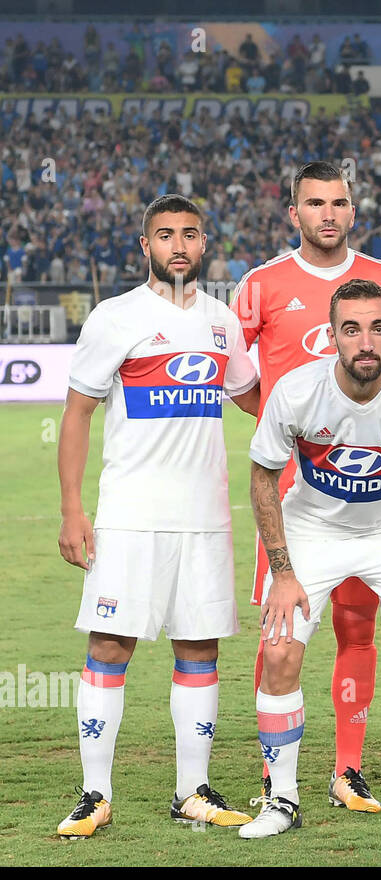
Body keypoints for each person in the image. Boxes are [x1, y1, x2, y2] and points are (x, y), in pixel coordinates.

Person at [56, 194, 261, 838]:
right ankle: (95, 793)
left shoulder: (224, 324)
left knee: (198, 647)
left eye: (190, 234)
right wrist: (72, 509)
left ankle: (192, 790)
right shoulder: (116, 317)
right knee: (110, 646)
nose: (179, 244)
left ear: (205, 245)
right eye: (165, 235)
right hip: (129, 516)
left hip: (204, 518)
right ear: (144, 245)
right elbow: (77, 415)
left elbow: (255, 398)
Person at [239, 279, 381, 838]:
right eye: (352, 329)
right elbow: (263, 478)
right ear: (331, 335)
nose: (366, 341)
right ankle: (281, 799)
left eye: (378, 328)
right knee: (280, 652)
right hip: (311, 527)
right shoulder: (295, 391)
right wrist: (283, 574)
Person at [233, 160, 381, 814]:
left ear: (352, 210)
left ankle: (348, 770)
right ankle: (274, 773)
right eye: (315, 203)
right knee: (283, 630)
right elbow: (231, 366)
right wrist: (276, 417)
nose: (327, 214)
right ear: (294, 213)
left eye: (338, 202)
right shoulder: (261, 284)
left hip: (369, 492)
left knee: (356, 625)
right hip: (291, 493)